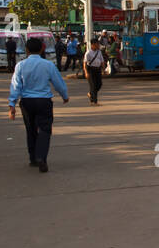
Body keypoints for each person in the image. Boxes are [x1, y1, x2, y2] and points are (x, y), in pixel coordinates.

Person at [8, 36, 69, 172]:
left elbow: (15, 86)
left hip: (27, 102)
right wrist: (65, 96)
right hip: (44, 101)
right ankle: (42, 157)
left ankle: (33, 158)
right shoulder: (48, 65)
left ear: (27, 50)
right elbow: (58, 82)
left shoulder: (20, 66)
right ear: (42, 49)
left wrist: (12, 104)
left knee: (30, 130)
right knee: (45, 130)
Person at [83, 39, 105, 105]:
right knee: (93, 85)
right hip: (91, 70)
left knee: (99, 84)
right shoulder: (88, 53)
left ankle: (90, 94)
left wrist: (103, 69)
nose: (98, 46)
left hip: (98, 69)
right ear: (93, 45)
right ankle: (94, 101)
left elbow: (102, 61)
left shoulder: (99, 52)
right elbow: (85, 63)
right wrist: (86, 72)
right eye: (97, 44)